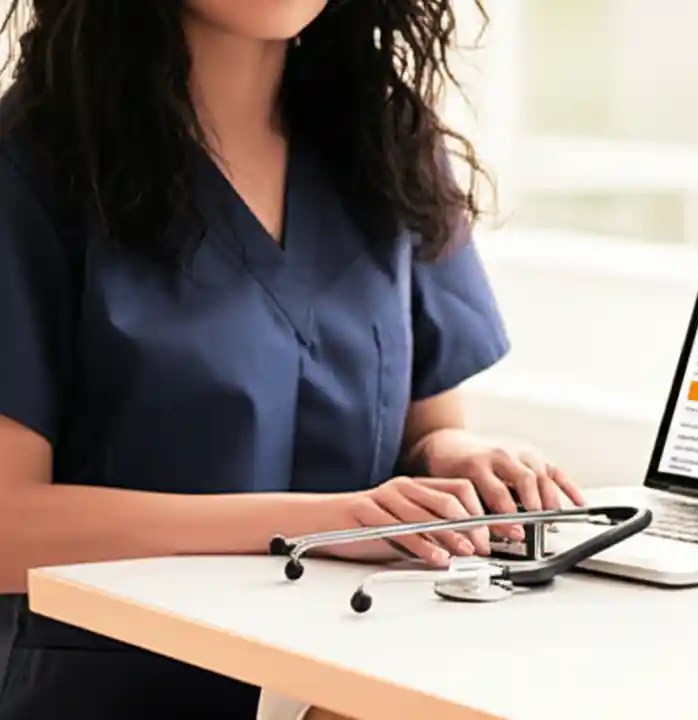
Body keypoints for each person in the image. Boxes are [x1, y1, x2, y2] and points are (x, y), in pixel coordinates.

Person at [0, 1, 582, 717]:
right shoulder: (29, 169)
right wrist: (321, 523)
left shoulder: (384, 140)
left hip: (351, 681)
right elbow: (7, 522)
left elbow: (423, 429)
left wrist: (459, 458)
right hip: (116, 693)